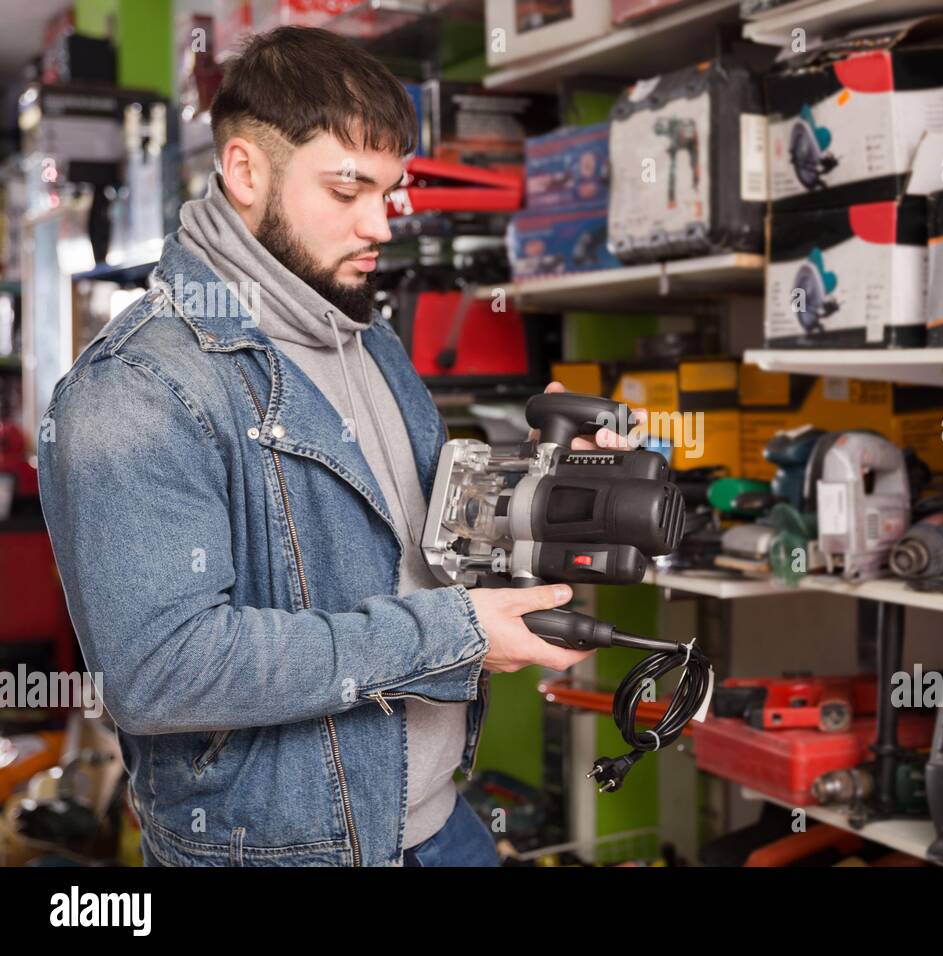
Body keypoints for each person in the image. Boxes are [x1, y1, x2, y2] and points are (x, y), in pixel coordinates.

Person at [36, 26, 627, 867]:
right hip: (285, 851)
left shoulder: (363, 335)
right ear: (245, 171)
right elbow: (163, 672)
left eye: (390, 192)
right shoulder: (134, 390)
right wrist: (453, 635)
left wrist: (544, 482)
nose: (379, 223)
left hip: (437, 822)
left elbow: (420, 553)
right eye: (347, 189)